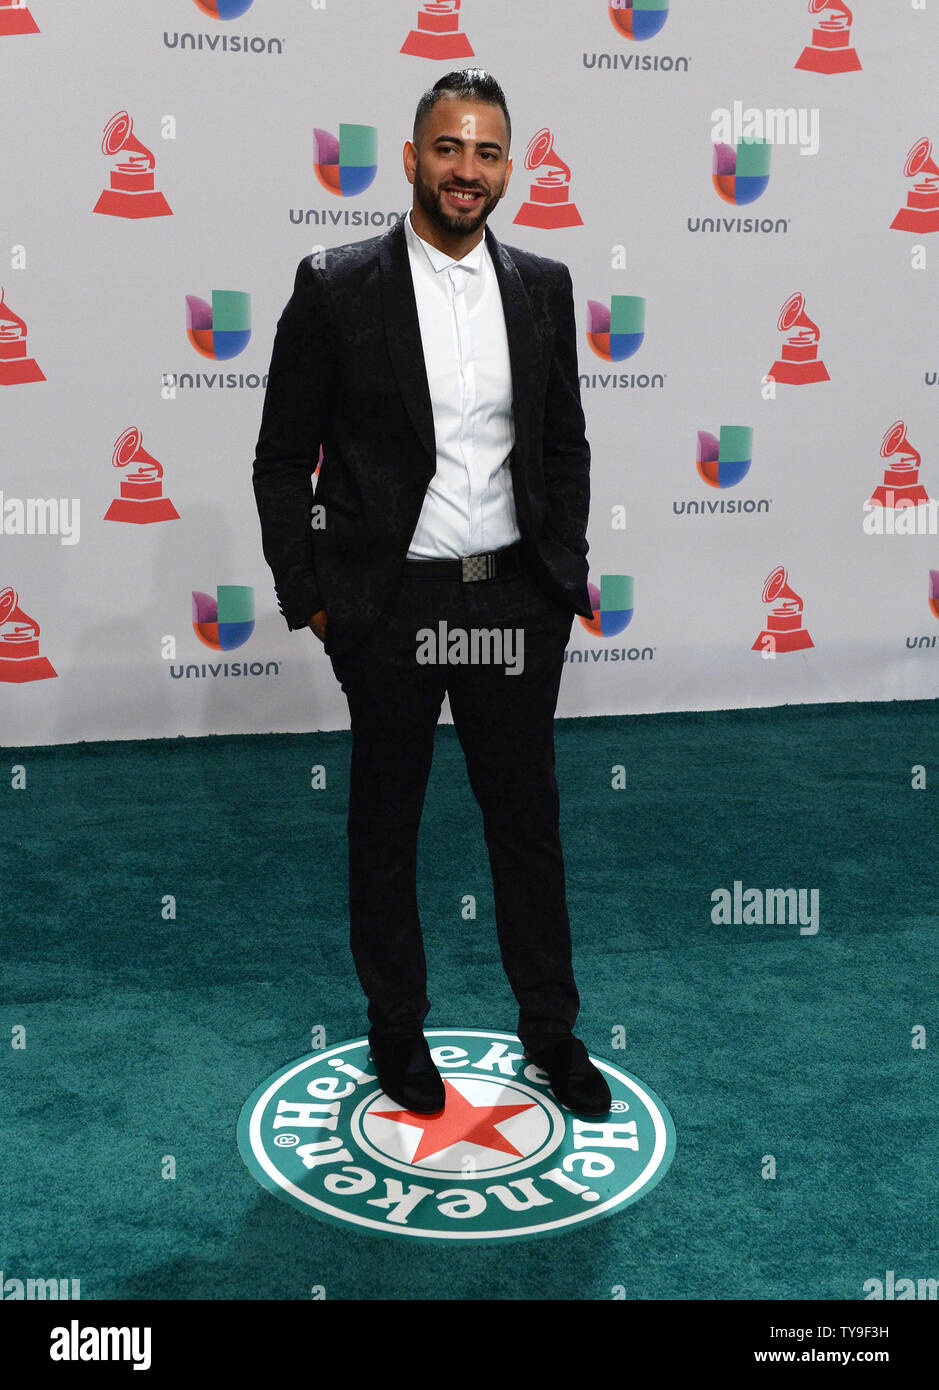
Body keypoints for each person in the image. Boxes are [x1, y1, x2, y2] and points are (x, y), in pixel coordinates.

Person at [252, 69, 611, 1117]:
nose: (468, 170)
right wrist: (312, 597)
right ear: (412, 159)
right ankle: (396, 1032)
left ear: (510, 166)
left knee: (527, 823)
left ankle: (550, 1030)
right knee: (387, 824)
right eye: (449, 149)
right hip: (391, 609)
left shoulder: (543, 285)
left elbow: (563, 446)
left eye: (487, 151)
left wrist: (561, 578)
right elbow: (283, 457)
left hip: (511, 605)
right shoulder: (337, 285)